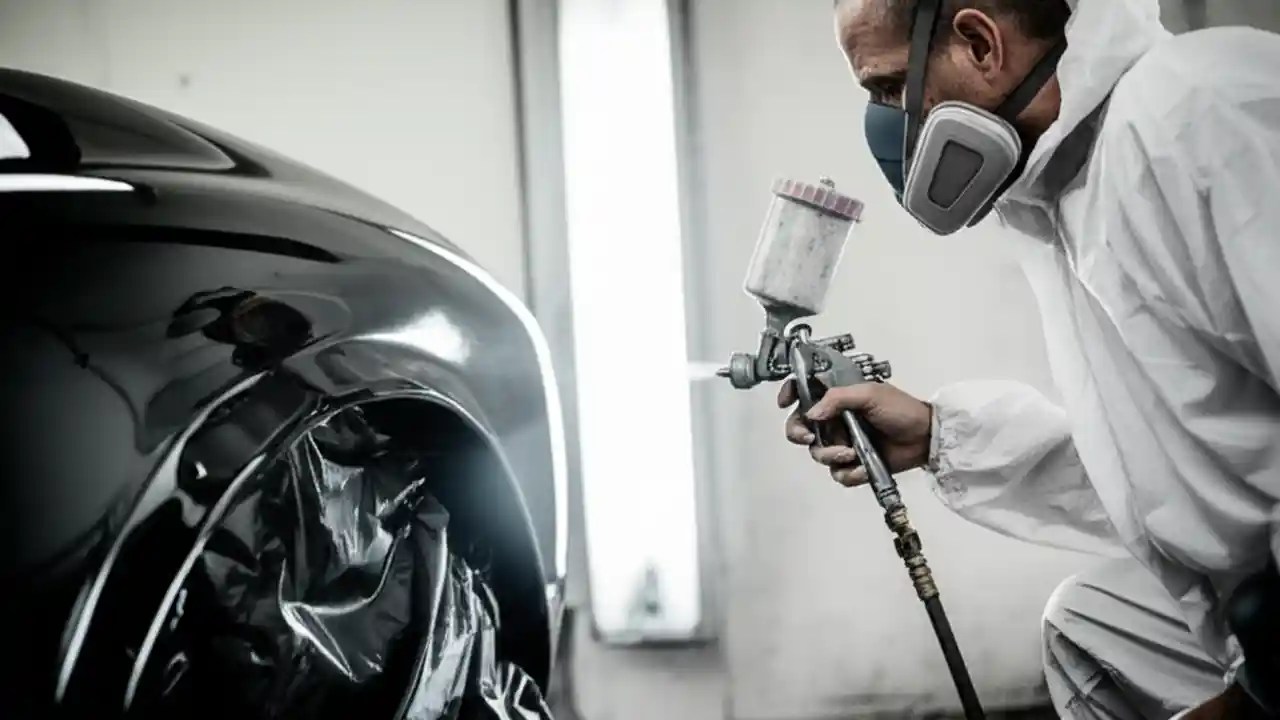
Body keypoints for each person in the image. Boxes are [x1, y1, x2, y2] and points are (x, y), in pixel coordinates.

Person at [781, 0, 1280, 717]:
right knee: (1092, 626)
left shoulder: (1203, 114)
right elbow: (1183, 481)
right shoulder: (1063, 191)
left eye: (888, 88)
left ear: (980, 44)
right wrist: (935, 434)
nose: (887, 124)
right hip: (1253, 615)